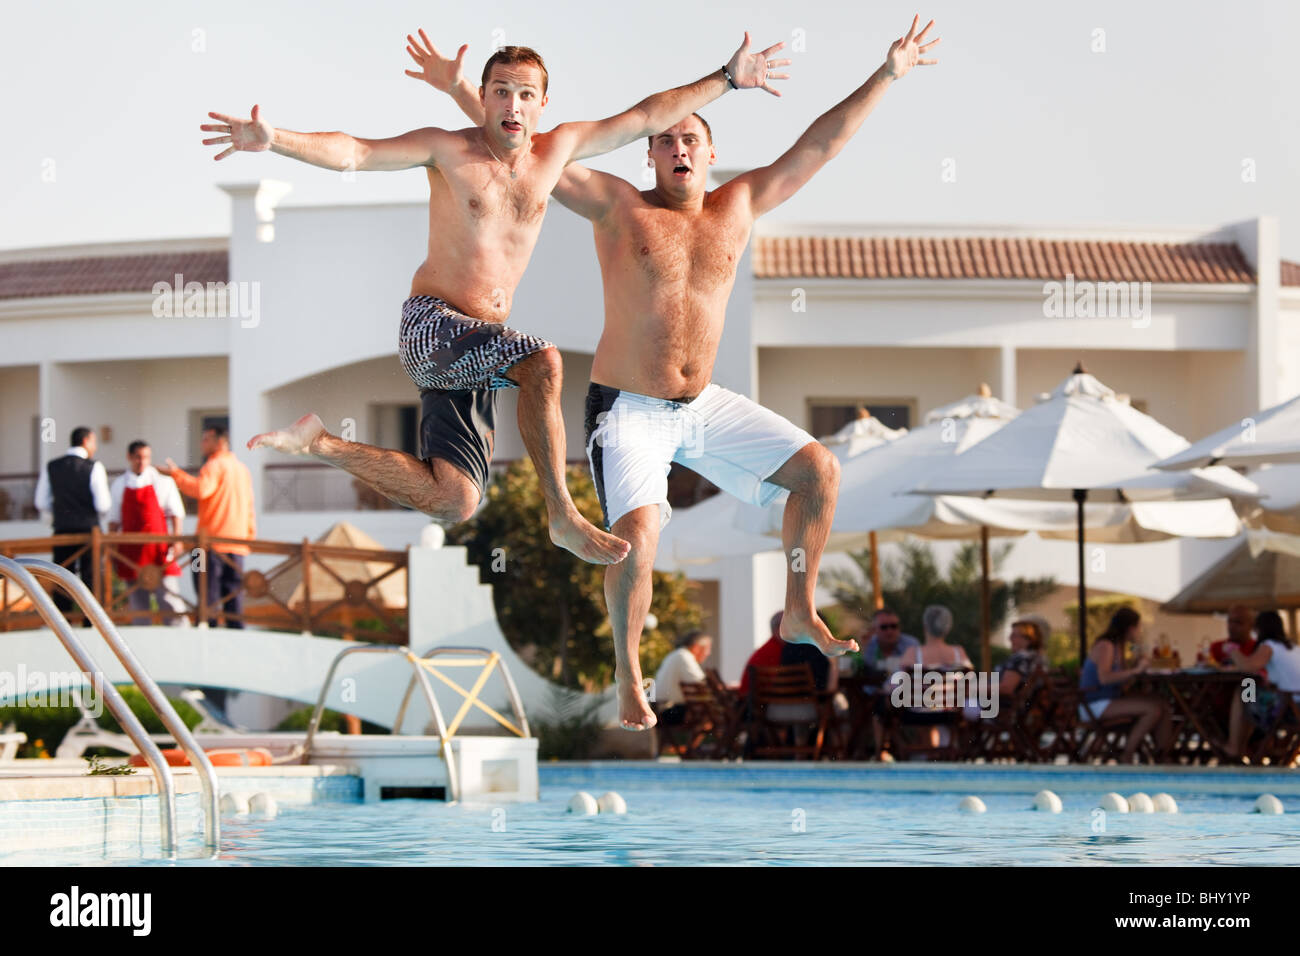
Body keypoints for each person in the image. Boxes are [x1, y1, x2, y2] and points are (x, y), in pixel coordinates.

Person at [421, 13, 937, 730]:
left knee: (819, 471)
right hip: (627, 409)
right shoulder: (618, 208)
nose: (676, 148)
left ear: (710, 152)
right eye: (663, 141)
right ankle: (631, 676)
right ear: (652, 160)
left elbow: (820, 144)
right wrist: (461, 93)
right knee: (638, 534)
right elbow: (525, 150)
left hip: (703, 406)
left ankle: (797, 606)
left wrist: (887, 74)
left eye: (689, 138)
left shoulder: (742, 204)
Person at [222, 33, 792, 568]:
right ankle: (561, 516)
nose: (512, 106)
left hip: (477, 349)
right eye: (500, 92)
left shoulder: (554, 153)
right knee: (543, 361)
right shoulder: (447, 150)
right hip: (433, 326)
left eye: (525, 95)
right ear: (485, 98)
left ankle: (320, 441)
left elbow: (645, 116)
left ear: (543, 104)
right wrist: (277, 141)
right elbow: (356, 152)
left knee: (454, 499)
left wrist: (728, 78)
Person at [158, 426, 255, 629]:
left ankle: (207, 631)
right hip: (236, 544)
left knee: (204, 591)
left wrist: (176, 474)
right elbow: (249, 506)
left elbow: (201, 489)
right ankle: (236, 636)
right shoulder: (242, 469)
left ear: (218, 442)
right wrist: (249, 537)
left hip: (208, 545)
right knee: (233, 596)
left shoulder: (214, 465)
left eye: (205, 440)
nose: (202, 444)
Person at [1078, 606, 1173, 763]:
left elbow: (1123, 682)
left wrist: (1138, 653)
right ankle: (1127, 753)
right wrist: (1135, 671)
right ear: (1131, 628)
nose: (1139, 631)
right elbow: (1105, 678)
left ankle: (1162, 753)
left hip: (1108, 700)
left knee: (1163, 704)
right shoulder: (1106, 645)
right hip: (1095, 703)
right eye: (1138, 627)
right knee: (1153, 709)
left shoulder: (1119, 647)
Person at [34, 426, 111, 616]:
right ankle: (91, 620)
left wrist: (61, 512)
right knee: (91, 577)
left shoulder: (52, 465)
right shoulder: (93, 466)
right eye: (94, 442)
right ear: (86, 441)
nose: (95, 446)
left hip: (62, 530)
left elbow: (41, 502)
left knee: (61, 576)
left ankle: (63, 620)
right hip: (88, 532)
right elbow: (103, 505)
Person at [108, 440, 188, 625]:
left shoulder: (163, 481)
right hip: (132, 554)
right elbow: (114, 521)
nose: (142, 461)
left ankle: (182, 637)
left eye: (146, 457)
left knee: (169, 599)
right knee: (138, 604)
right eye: (138, 457)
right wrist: (112, 549)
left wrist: (177, 541)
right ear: (130, 457)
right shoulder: (119, 485)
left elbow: (176, 514)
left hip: (159, 551)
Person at [1225, 610, 1300, 760]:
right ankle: (1243, 747)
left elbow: (1247, 667)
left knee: (1245, 687)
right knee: (1250, 688)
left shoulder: (1269, 646)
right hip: (1295, 707)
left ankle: (1235, 747)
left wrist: (1232, 651)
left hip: (1287, 710)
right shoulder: (1293, 646)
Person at [652, 631, 712, 725]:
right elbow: (704, 685)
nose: (709, 653)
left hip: (660, 709)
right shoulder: (684, 657)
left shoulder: (676, 654)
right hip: (669, 711)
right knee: (716, 712)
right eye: (708, 649)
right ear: (696, 647)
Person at [898, 605, 972, 671]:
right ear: (947, 629)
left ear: (925, 626)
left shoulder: (912, 654)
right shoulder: (959, 653)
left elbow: (898, 683)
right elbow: (970, 681)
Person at [738, 610, 787, 700]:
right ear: (778, 629)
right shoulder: (776, 650)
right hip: (755, 703)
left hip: (753, 702)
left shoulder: (771, 647)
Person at [997, 615, 1049, 697]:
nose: (1010, 638)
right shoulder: (1036, 658)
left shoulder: (1021, 658)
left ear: (1028, 640)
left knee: (969, 705)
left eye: (1014, 635)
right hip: (1002, 704)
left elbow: (1006, 688)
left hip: (995, 706)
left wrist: (973, 688)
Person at [860, 607, 920, 672]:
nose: (889, 631)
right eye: (884, 627)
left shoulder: (911, 644)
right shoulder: (869, 644)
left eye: (894, 626)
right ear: (875, 629)